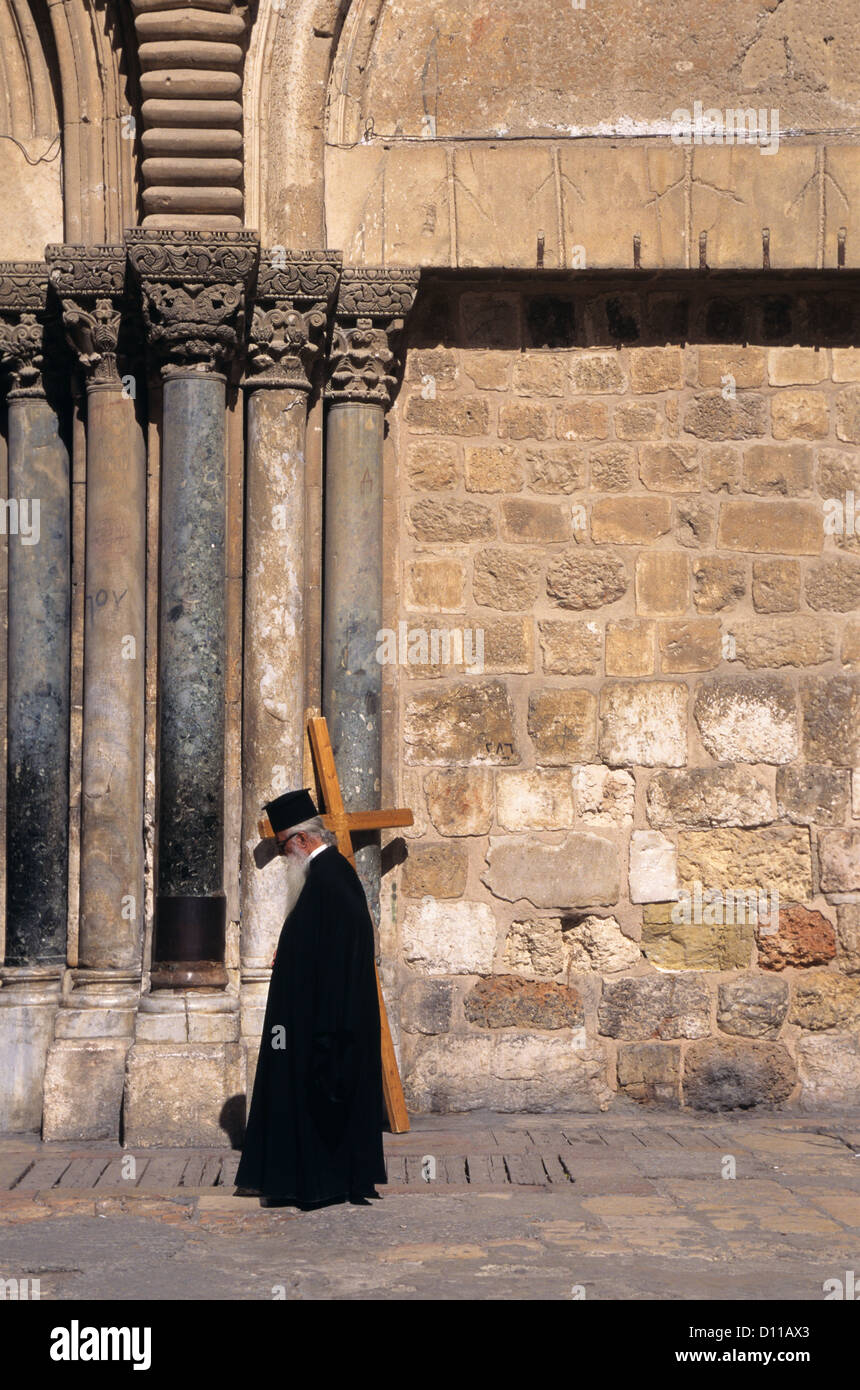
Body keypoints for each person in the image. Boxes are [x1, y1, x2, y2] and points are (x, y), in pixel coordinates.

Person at [235, 788, 387, 1208]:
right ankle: (305, 1179)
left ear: (302, 840)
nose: (283, 856)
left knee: (313, 1100)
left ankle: (320, 1183)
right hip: (308, 1020)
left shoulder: (330, 879)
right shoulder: (324, 877)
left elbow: (340, 960)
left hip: (320, 1024)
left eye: (283, 846)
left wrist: (325, 1032)